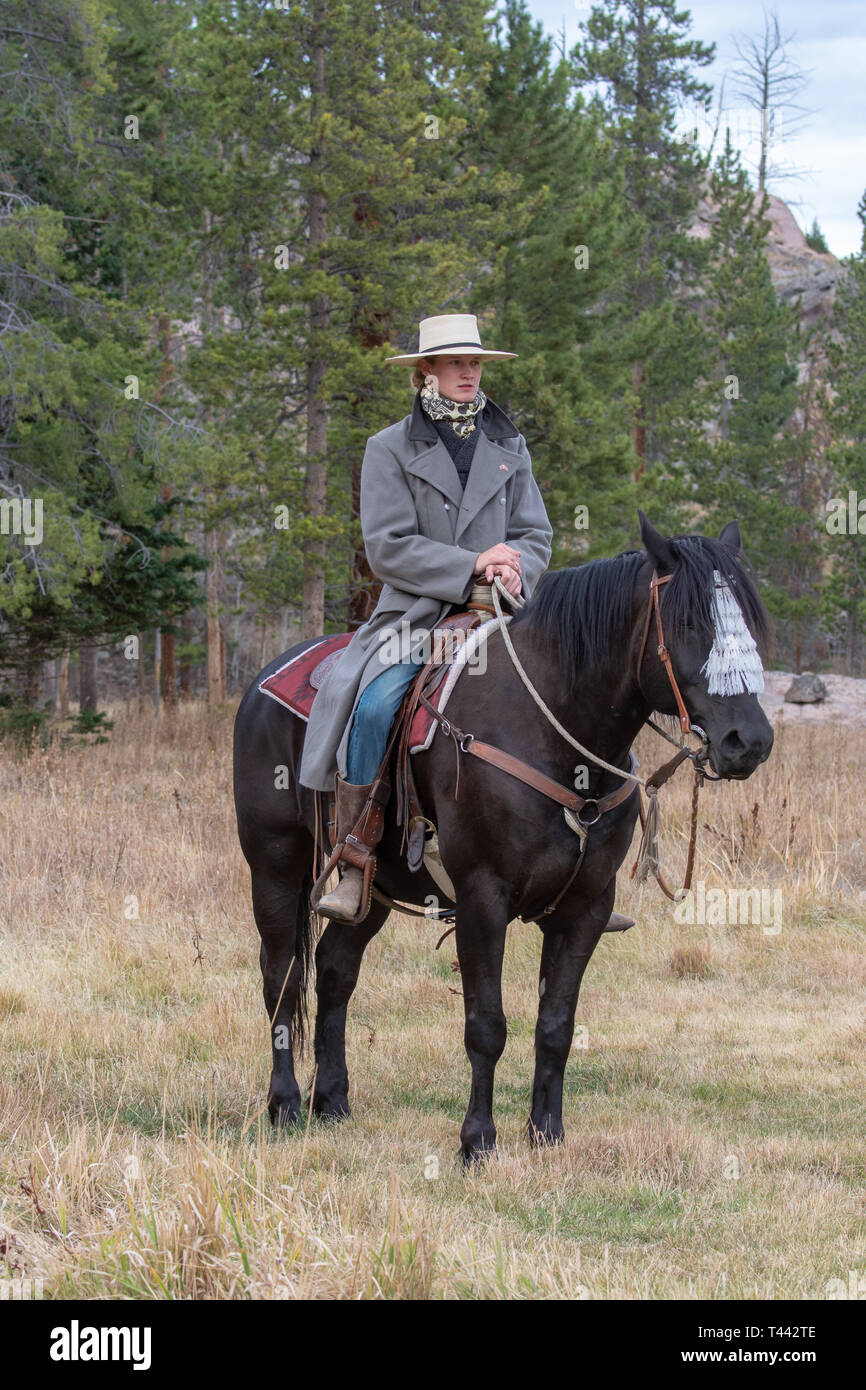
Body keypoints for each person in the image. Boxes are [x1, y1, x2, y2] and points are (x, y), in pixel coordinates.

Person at [299, 313, 631, 933]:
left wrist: (515, 572)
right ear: (427, 370)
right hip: (417, 615)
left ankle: (586, 869)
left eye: (475, 363)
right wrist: (473, 561)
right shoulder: (388, 448)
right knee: (373, 707)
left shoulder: (510, 446)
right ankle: (354, 853)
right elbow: (388, 548)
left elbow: (534, 534)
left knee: (585, 696)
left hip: (504, 614)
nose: (469, 372)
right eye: (456, 363)